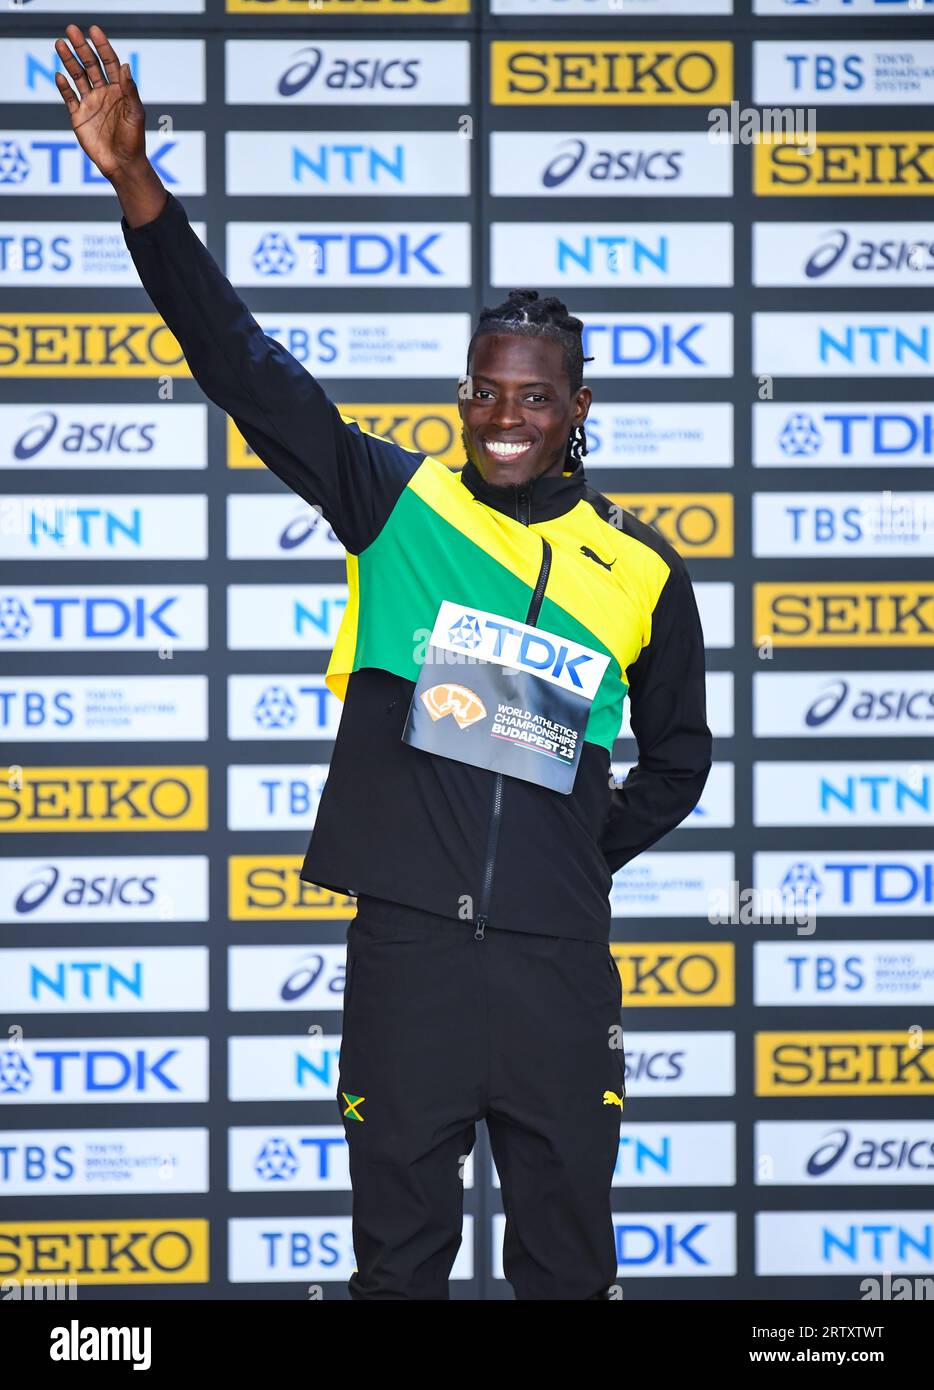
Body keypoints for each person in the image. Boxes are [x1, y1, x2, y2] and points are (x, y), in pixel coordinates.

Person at [56, 23, 712, 1301]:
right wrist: (138, 184)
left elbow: (680, 758)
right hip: (406, 960)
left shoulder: (642, 567)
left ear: (581, 406)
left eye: (534, 396)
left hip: (558, 967)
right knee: (397, 1270)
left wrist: (573, 849)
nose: (505, 418)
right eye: (484, 392)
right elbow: (242, 365)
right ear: (459, 398)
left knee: (570, 1270)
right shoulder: (395, 504)